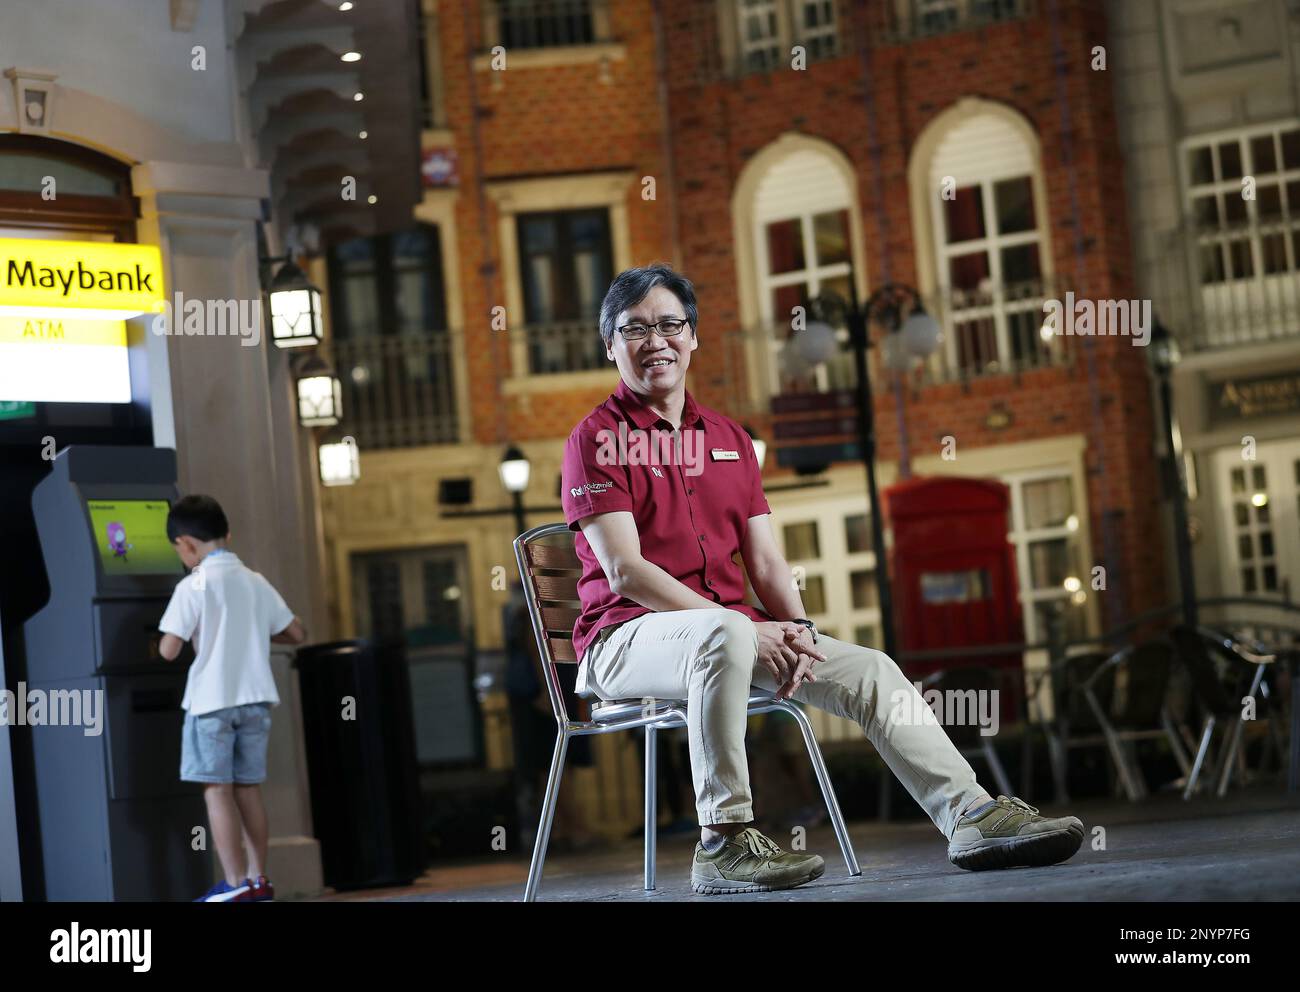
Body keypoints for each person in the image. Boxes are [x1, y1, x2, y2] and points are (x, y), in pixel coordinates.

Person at [561, 263, 1085, 895]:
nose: (656, 341)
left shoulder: (729, 439)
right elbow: (626, 571)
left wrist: (800, 633)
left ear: (693, 337)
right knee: (723, 629)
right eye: (635, 329)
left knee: (870, 669)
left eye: (670, 324)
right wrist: (742, 630)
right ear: (610, 345)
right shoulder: (595, 439)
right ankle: (722, 843)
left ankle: (969, 816)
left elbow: (767, 563)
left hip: (729, 639)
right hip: (621, 642)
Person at [157, 495, 307, 902]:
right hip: (255, 701)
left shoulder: (193, 585)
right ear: (228, 533)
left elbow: (168, 650)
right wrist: (253, 630)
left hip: (211, 703)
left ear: (185, 544)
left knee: (216, 791)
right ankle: (259, 880)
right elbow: (296, 634)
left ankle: (234, 884)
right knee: (248, 788)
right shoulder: (255, 580)